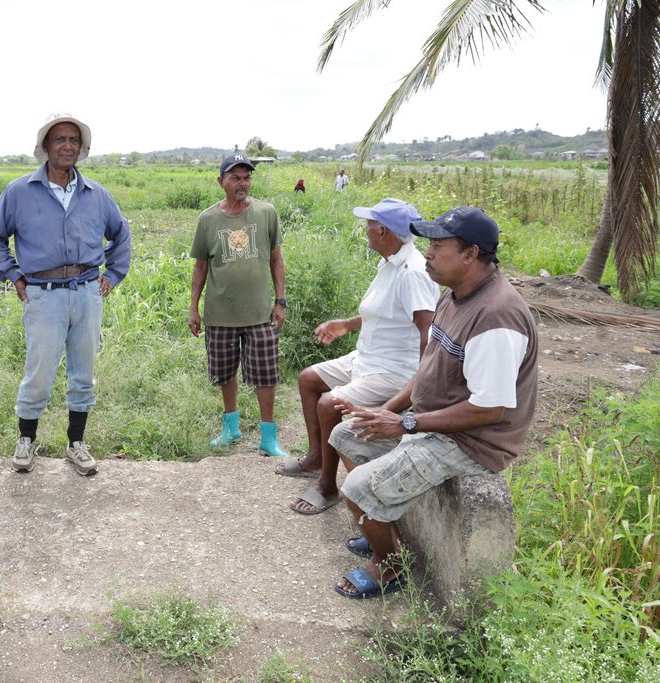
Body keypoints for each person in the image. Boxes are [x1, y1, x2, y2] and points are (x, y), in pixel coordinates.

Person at [327, 206, 538, 599]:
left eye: (438, 245)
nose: (427, 253)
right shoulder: (454, 294)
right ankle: (381, 531)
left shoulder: (496, 317)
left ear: (470, 254)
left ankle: (389, 567)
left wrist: (406, 424)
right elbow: (427, 369)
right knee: (347, 434)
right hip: (432, 421)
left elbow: (490, 409)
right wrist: (387, 411)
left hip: (471, 441)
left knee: (356, 488)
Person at [0, 113, 131, 477]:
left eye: (74, 141)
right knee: (39, 373)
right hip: (43, 295)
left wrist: (112, 274)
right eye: (60, 139)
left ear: (82, 149)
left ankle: (76, 444)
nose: (68, 146)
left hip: (86, 293)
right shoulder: (19, 192)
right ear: (46, 146)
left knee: (84, 374)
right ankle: (26, 440)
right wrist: (14, 276)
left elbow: (121, 235)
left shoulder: (96, 195)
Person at [281, 199, 439, 515]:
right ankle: (315, 458)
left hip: (393, 369)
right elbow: (383, 314)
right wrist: (346, 325)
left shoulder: (413, 272)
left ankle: (327, 486)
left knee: (329, 404)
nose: (365, 230)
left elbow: (428, 332)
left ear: (382, 230)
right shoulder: (390, 263)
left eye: (369, 224)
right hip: (367, 358)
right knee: (309, 379)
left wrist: (420, 387)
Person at [189, 154, 291, 457]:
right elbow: (200, 267)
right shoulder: (208, 219)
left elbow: (276, 259)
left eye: (247, 177)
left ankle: (268, 437)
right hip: (220, 313)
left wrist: (280, 301)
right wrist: (193, 307)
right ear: (221, 182)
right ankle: (230, 429)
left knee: (266, 374)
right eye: (235, 177)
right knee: (225, 372)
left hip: (260, 312)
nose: (242, 183)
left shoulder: (266, 213)